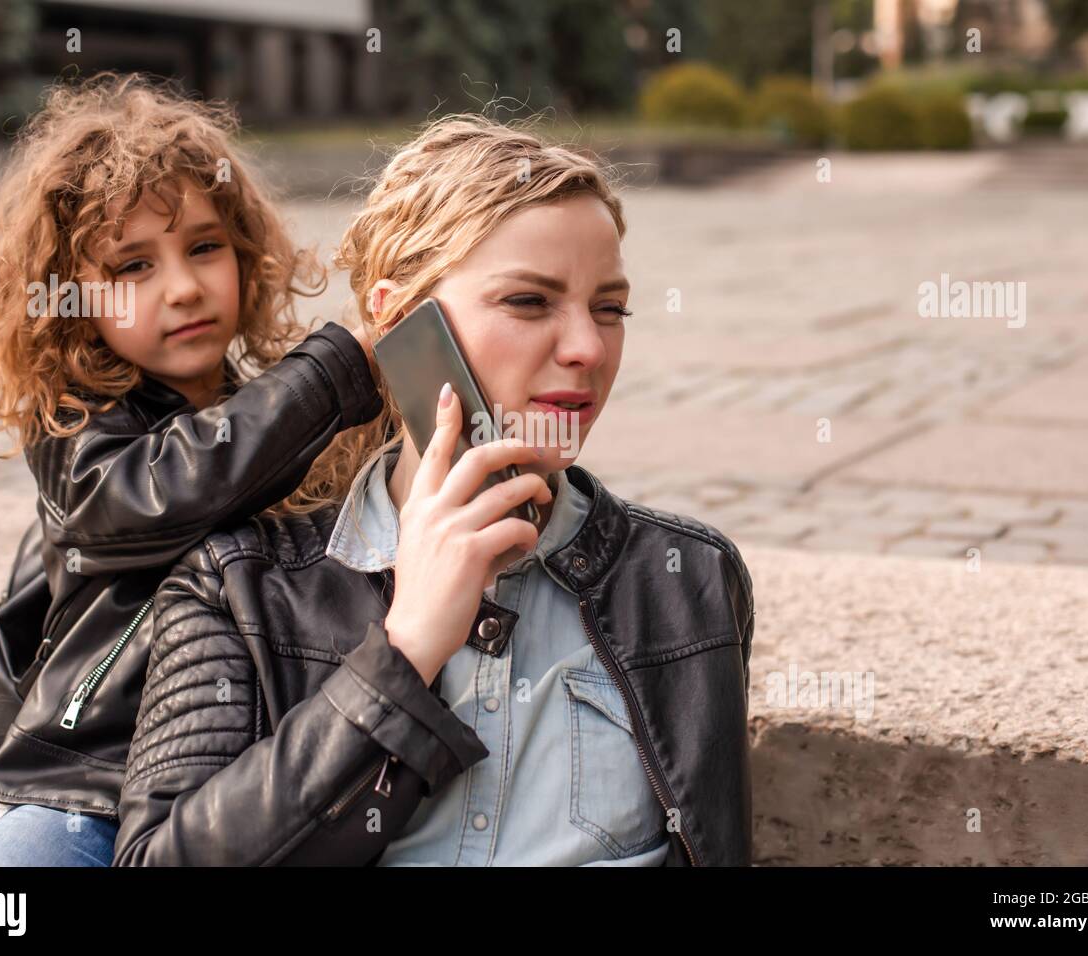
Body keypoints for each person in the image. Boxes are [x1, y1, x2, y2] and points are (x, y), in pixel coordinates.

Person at [112, 113, 755, 867]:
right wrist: (405, 649)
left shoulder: (688, 580)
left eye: (609, 308)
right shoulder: (240, 584)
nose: (587, 348)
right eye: (529, 301)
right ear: (396, 321)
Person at [0, 72, 383, 866]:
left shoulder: (280, 417)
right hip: (90, 786)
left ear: (245, 254)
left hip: (232, 793)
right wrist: (333, 372)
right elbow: (154, 493)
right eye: (131, 267)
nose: (182, 288)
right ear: (65, 298)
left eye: (205, 247)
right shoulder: (76, 427)